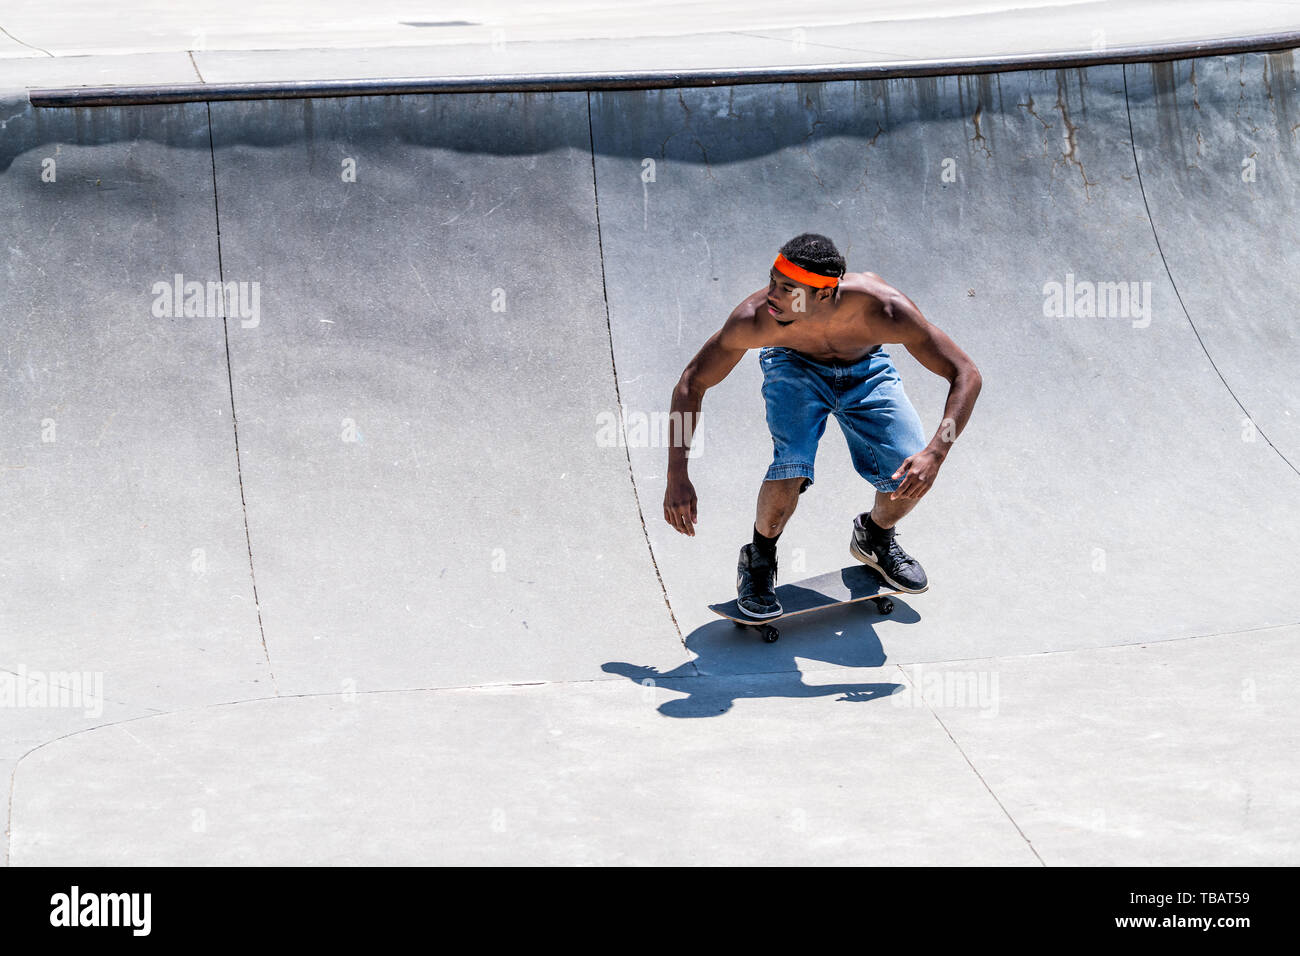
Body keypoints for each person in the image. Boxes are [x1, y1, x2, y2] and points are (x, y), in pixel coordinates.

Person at [663, 233, 982, 618]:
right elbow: (692, 382)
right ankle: (759, 561)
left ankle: (876, 537)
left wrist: (937, 452)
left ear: (825, 294)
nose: (773, 297)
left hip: (867, 369)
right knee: (792, 463)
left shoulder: (885, 309)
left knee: (909, 471)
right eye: (772, 282)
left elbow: (965, 373)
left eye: (788, 290)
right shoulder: (755, 320)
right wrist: (676, 475)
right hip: (792, 365)